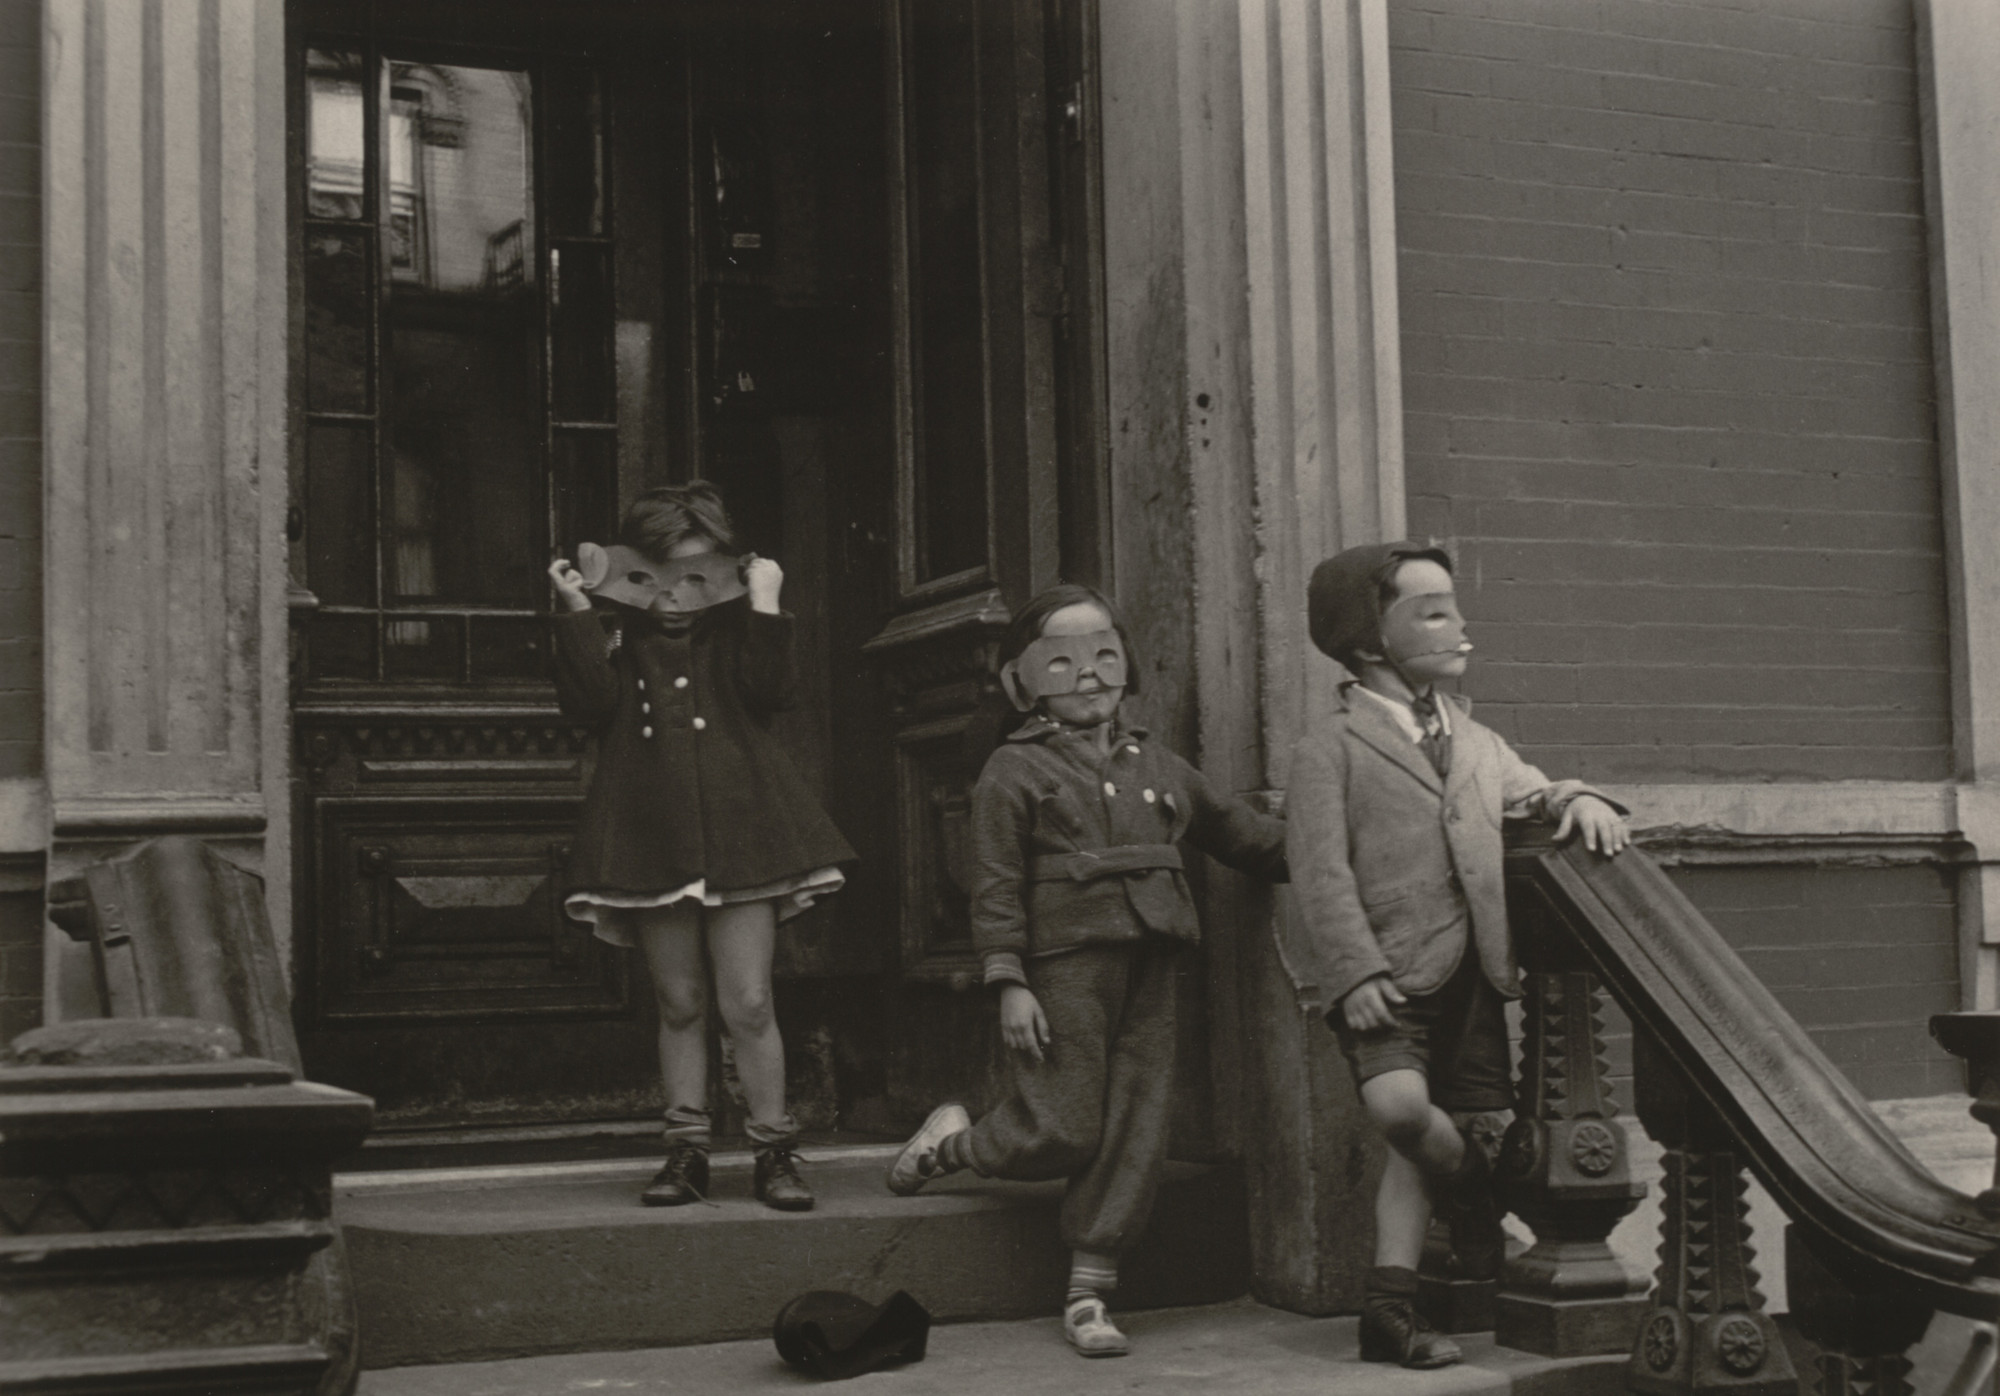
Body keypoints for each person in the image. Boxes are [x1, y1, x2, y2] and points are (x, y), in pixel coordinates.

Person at [881, 584, 1289, 1358]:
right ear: (1024, 681)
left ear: (1125, 662)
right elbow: (995, 884)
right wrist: (1010, 981)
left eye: (1103, 654)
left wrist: (1336, 847)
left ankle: (1089, 1293)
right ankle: (955, 1144)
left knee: (1135, 1125)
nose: (1089, 674)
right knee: (1065, 1125)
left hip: (1153, 959)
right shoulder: (1013, 770)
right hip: (1064, 969)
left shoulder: (1158, 764)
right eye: (1062, 661)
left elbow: (1242, 835)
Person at [1286, 541, 1630, 1369]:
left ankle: (1388, 1310)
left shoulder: (1475, 738)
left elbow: (1530, 790)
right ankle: (1474, 1194)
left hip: (1474, 973)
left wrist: (1579, 795)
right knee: (1403, 1113)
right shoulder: (1329, 746)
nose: (1460, 626)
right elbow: (1319, 872)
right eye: (1433, 612)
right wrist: (1354, 972)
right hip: (1386, 975)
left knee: (1423, 1142)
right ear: (1372, 640)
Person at [547, 481, 855, 1212]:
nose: (674, 598)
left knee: (748, 999)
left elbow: (772, 692)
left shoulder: (737, 631)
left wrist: (767, 603)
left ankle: (773, 1149)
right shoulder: (618, 636)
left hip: (743, 834)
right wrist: (577, 611)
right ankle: (686, 1151)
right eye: (655, 576)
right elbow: (589, 704)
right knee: (679, 1000)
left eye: (694, 576)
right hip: (652, 835)